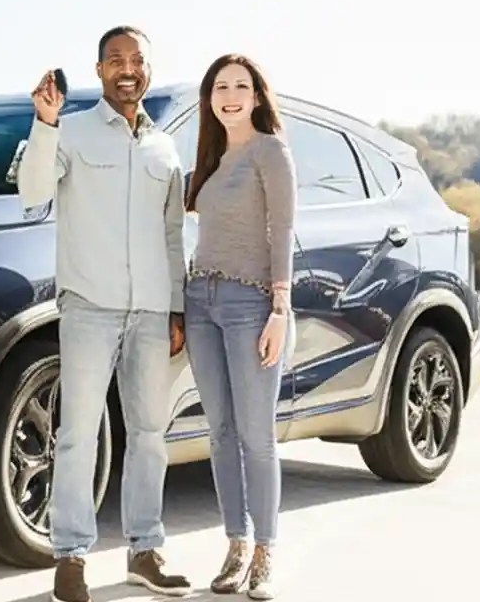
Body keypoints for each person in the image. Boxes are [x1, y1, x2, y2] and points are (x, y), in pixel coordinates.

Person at [17, 26, 192, 602]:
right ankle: (70, 557)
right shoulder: (70, 131)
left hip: (151, 310)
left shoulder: (164, 148)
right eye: (116, 59)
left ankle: (145, 551)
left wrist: (177, 307)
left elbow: (172, 234)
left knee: (149, 434)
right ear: (99, 71)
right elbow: (32, 193)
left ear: (147, 70)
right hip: (90, 306)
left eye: (137, 60)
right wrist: (44, 122)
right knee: (78, 434)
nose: (127, 69)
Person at [182, 53, 296, 600]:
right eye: (220, 87)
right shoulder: (210, 160)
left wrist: (280, 309)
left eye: (240, 86)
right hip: (200, 302)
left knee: (257, 435)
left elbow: (282, 230)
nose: (230, 96)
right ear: (210, 98)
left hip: (251, 303)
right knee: (221, 433)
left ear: (256, 96)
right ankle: (235, 544)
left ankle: (265, 552)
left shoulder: (270, 151)